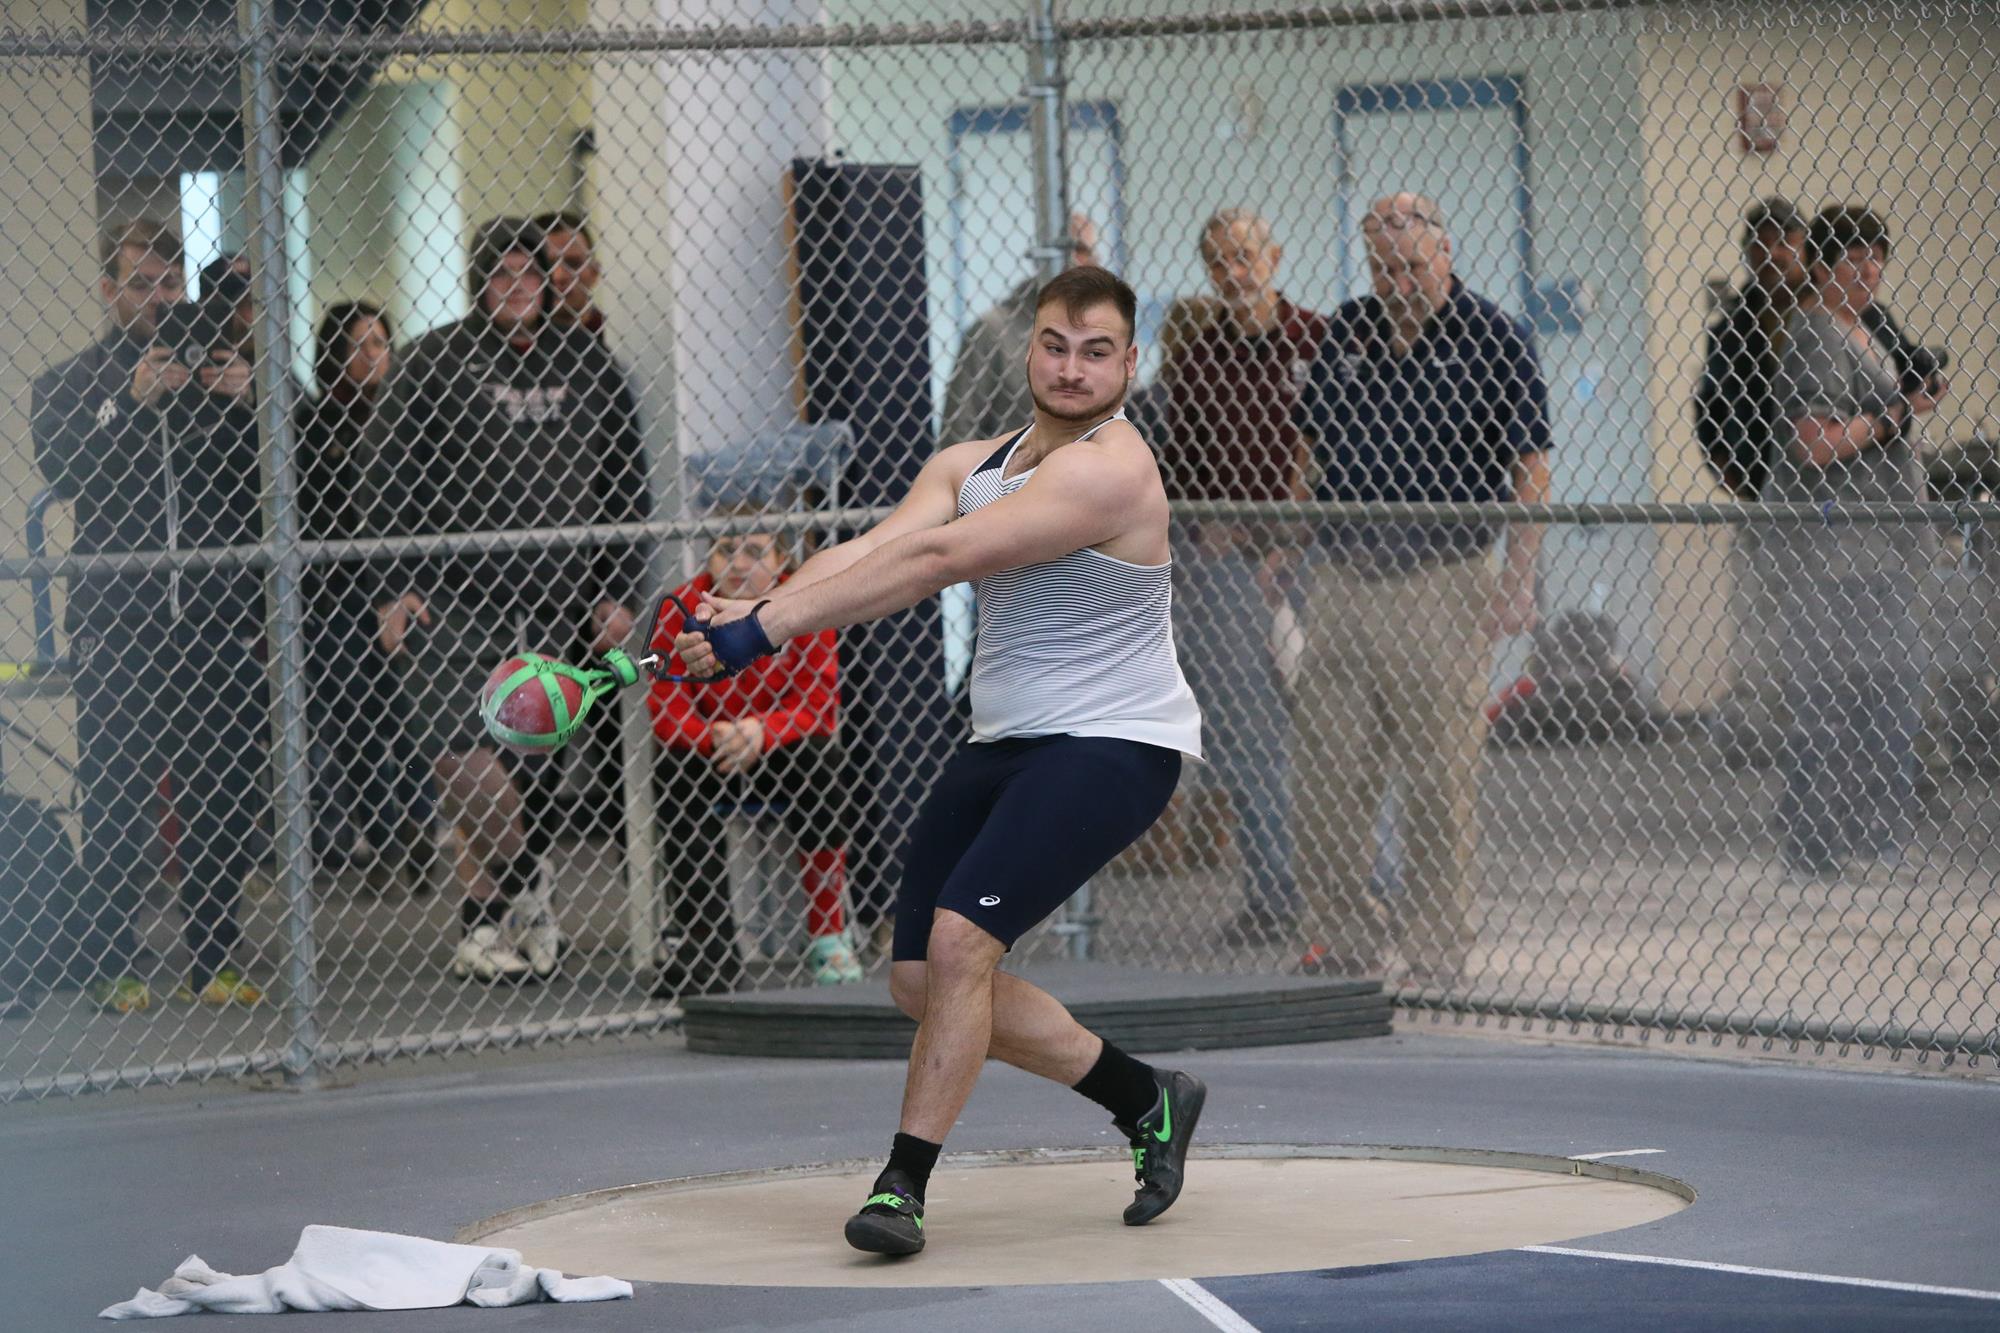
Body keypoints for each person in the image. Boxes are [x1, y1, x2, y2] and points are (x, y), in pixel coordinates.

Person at [677, 266, 1206, 1257]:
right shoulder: (970, 463)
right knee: (921, 979)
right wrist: (755, 606)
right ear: (1028, 348)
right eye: (1055, 345)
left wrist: (762, 630)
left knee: (964, 944)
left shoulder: (1112, 469)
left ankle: (901, 1187)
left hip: (1116, 741)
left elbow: (938, 562)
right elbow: (877, 549)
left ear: (1129, 363)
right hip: (1004, 739)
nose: (1072, 368)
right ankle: (1148, 1097)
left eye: (1096, 352)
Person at [362, 217, 648, 984]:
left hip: (556, 599)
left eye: (530, 273)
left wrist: (615, 592)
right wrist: (392, 587)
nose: (518, 287)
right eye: (501, 275)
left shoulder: (588, 362)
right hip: (452, 601)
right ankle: (530, 887)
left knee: (532, 770)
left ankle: (485, 924)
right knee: (461, 754)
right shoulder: (433, 360)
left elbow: (626, 486)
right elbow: (381, 474)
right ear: (478, 283)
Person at [1290, 193, 1552, 986]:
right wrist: (1289, 546)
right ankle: (1340, 937)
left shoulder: (1495, 337)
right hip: (1343, 578)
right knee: (1329, 774)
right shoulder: (1347, 330)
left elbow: (1532, 467)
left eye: (1410, 265)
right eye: (1381, 267)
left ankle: (1437, 948)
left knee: (1439, 780)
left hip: (1443, 579)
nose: (1397, 283)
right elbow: (1309, 450)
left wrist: (1518, 581)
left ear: (1445, 252)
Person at [31, 220, 271, 1011]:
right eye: (141, 284)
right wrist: (130, 401)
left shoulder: (224, 367)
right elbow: (64, 468)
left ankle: (215, 958)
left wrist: (254, 399)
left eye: (170, 284)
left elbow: (299, 467)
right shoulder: (70, 382)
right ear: (110, 290)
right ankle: (112, 960)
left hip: (216, 618)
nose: (158, 299)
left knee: (221, 793)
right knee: (117, 797)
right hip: (118, 620)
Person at [1159, 208, 1324, 946]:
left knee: (1336, 729)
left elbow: (1333, 451)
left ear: (1275, 256)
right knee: (1245, 737)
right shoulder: (1198, 363)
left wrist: (1292, 533)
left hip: (1312, 561)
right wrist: (1210, 531)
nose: (1235, 272)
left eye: (1246, 256)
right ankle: (1272, 892)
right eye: (1220, 261)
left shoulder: (1318, 341)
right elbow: (1182, 472)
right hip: (1227, 572)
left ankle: (1365, 887)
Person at [1767, 206, 1942, 877]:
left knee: (1883, 689)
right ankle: (1819, 839)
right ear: (1820, 267)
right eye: (1854, 259)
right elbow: (1815, 443)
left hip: (1874, 547)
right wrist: (1895, 416)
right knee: (1841, 695)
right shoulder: (1817, 333)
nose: (1870, 271)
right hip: (1835, 555)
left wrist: (1907, 399)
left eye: (1877, 258)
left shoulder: (1867, 327)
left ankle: (1860, 830)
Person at [646, 512, 858, 994]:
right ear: (709, 558)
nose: (738, 563)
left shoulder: (803, 602)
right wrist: (716, 736)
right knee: (673, 770)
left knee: (823, 763)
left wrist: (762, 731)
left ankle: (829, 935)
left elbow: (818, 704)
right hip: (713, 747)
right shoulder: (682, 605)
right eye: (726, 549)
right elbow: (666, 712)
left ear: (782, 561)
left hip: (776, 745)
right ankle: (709, 950)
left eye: (755, 552)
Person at [296, 300, 421, 891]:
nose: (373, 356)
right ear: (333, 355)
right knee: (355, 720)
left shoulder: (410, 416)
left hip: (406, 587)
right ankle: (385, 836)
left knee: (414, 715)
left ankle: (420, 829)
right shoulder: (315, 424)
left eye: (380, 343)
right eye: (358, 345)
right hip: (339, 594)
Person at [1696, 198, 1811, 767]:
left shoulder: (1832, 311)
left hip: (1832, 497)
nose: (1773, 254)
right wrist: (1733, 472)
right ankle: (1766, 727)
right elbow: (1709, 411)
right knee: (1760, 615)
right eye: (1761, 244)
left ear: (1804, 249)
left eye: (1784, 242)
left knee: (1828, 619)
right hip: (1764, 495)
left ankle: (1827, 726)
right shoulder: (1733, 329)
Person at [939, 212, 1098, 446]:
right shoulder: (992, 331)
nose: (1076, 261)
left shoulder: (1100, 328)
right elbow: (958, 428)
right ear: (1043, 257)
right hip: (1013, 466)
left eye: (1083, 251)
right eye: (1068, 250)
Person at [534, 211, 606, 340]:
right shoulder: (510, 340)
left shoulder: (613, 334)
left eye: (573, 264)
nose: (559, 276)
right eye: (547, 265)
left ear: (594, 272)